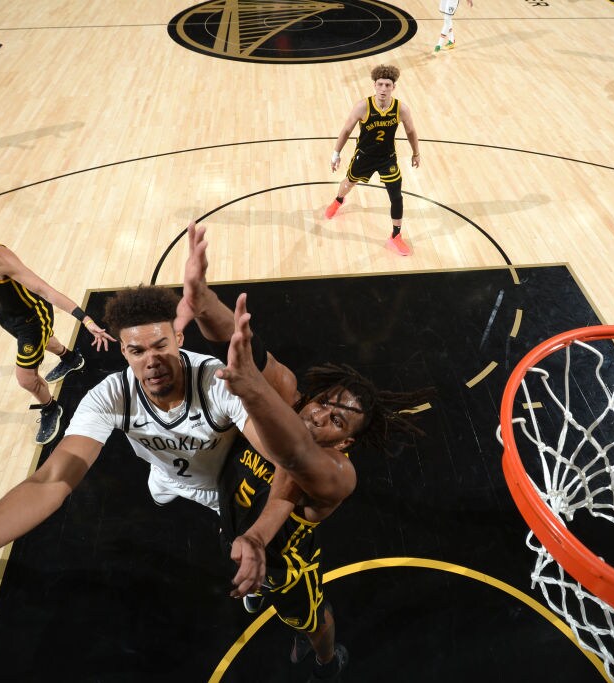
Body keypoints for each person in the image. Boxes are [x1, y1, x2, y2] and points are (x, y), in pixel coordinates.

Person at [178, 226, 433, 682]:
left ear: (345, 442)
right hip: (238, 527)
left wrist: (252, 388)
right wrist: (201, 300)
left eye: (338, 421)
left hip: (285, 566)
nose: (320, 417)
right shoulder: (291, 395)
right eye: (324, 403)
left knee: (311, 620)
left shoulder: (337, 473)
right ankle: (251, 570)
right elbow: (239, 345)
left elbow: (292, 457)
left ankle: (326, 660)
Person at [0, 204, 115, 445]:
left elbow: (42, 289)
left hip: (32, 317)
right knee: (43, 343)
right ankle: (70, 359)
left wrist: (85, 319)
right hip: (5, 315)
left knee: (26, 378)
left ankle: (50, 408)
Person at [325, 64, 421, 257]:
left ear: (394, 87)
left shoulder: (401, 109)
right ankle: (338, 200)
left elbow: (411, 131)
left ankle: (396, 235)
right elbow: (346, 130)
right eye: (380, 84)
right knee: (348, 183)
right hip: (365, 156)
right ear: (374, 85)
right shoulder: (363, 106)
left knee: (396, 196)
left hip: (387, 159)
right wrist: (336, 154)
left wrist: (416, 152)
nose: (383, 89)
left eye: (388, 85)